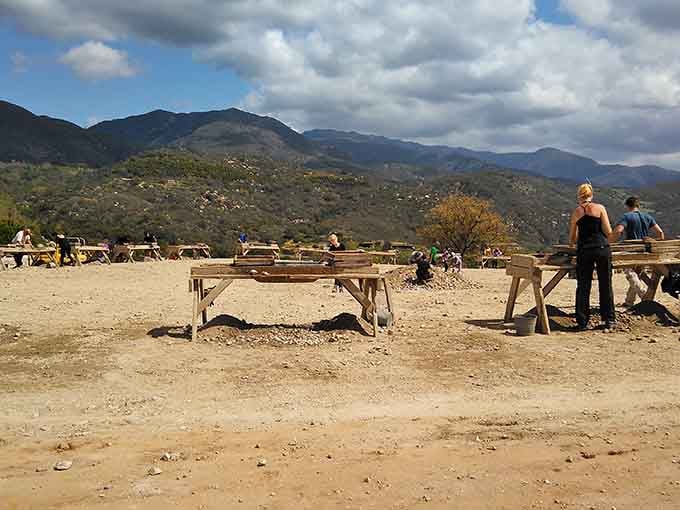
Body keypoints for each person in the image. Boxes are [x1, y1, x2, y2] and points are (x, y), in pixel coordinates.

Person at [569, 183, 615, 330]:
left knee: (583, 285)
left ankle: (582, 321)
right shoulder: (600, 208)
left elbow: (572, 238)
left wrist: (574, 242)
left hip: (585, 250)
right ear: (591, 195)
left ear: (579, 196)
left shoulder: (577, 212)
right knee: (605, 283)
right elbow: (608, 231)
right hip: (602, 248)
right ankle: (609, 319)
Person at [610, 196, 664, 307]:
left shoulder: (627, 217)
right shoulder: (647, 217)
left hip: (631, 250)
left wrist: (609, 242)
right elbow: (660, 233)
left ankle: (644, 295)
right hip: (644, 250)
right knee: (637, 274)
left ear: (627, 206)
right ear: (638, 205)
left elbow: (618, 231)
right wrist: (656, 243)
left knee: (630, 274)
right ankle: (629, 302)